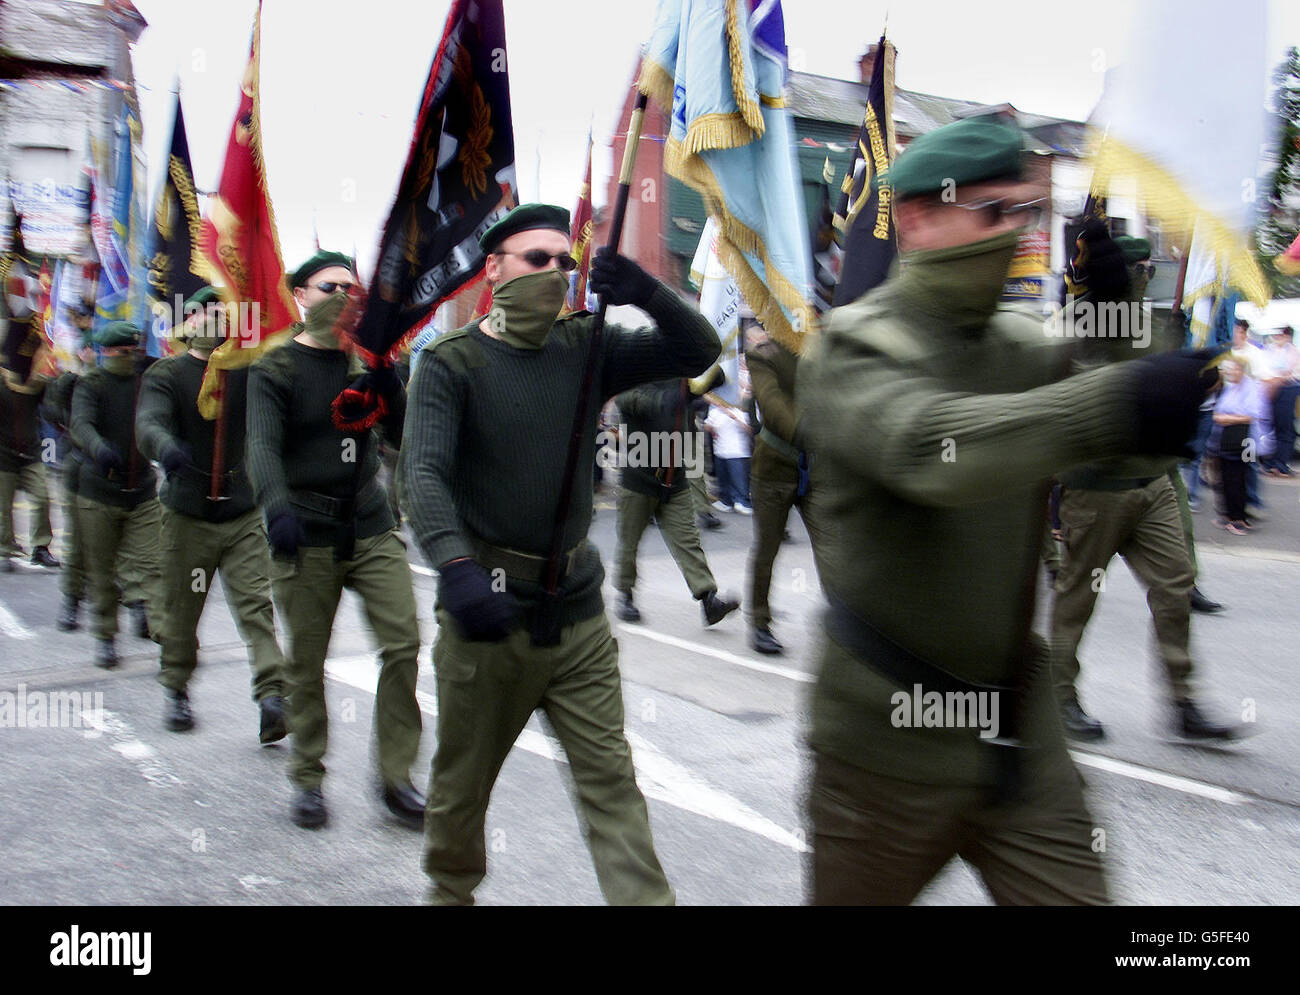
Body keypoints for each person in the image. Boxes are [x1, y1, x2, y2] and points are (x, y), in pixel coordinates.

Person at [797, 115, 1220, 905]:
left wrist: (1115, 304)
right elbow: (931, 447)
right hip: (885, 742)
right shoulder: (853, 346)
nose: (1015, 235)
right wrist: (1113, 401)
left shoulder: (1019, 339)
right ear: (918, 217)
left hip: (1020, 737)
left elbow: (1122, 444)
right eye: (994, 213)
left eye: (1025, 215)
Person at [400, 203, 719, 905]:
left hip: (576, 615)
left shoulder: (588, 346)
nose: (554, 272)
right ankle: (449, 891)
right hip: (488, 612)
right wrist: (453, 566)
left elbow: (700, 352)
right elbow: (421, 473)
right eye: (535, 258)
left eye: (563, 261)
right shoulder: (453, 364)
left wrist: (646, 291)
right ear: (494, 269)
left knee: (612, 782)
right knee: (460, 788)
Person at [246, 250, 422, 830]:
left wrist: (389, 383)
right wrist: (277, 510)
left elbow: (401, 437)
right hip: (306, 530)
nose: (346, 297)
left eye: (353, 287)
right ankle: (308, 775)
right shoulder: (275, 370)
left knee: (402, 642)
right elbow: (263, 448)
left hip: (369, 524)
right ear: (301, 295)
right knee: (306, 660)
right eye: (331, 287)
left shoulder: (366, 361)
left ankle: (396, 778)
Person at [1048, 234, 1237, 742]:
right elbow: (1071, 403)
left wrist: (1198, 376)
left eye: (1147, 266)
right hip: (1097, 489)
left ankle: (1184, 703)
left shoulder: (1152, 324)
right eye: (1139, 266)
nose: (1144, 272)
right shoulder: (1073, 326)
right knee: (1076, 600)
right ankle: (1060, 698)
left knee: (1175, 589)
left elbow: (1175, 386)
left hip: (1154, 482)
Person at [135, 286, 288, 740]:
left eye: (225, 314)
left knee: (255, 607)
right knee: (182, 611)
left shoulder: (248, 371)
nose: (216, 322)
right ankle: (177, 687)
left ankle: (271, 696)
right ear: (189, 321)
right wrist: (166, 448)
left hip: (241, 516)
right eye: (207, 314)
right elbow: (149, 423)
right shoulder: (169, 373)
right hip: (188, 517)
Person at [68, 322, 164, 667]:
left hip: (141, 490)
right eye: (123, 353)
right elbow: (81, 424)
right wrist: (98, 447)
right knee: (102, 571)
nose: (130, 359)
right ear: (106, 352)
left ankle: (160, 627)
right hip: (99, 493)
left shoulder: (146, 382)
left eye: (134, 352)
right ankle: (106, 636)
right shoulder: (91, 384)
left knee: (153, 565)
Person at [613, 377, 740, 626]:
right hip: (639, 480)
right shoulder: (631, 381)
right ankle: (625, 594)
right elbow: (634, 402)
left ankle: (708, 599)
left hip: (675, 478)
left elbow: (709, 383)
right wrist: (673, 397)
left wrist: (707, 384)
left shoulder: (679, 379)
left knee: (688, 540)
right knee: (629, 542)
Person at [745, 334, 828, 655]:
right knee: (767, 549)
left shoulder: (823, 346)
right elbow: (772, 404)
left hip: (817, 469)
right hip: (774, 468)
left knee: (832, 546)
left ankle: (847, 622)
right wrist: (812, 433)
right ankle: (759, 622)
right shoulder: (765, 353)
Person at [1, 317, 58, 572]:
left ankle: (40, 547)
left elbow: (54, 409)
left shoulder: (38, 380)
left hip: (31, 450)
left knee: (42, 495)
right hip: (3, 453)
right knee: (3, 507)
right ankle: (4, 548)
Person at [1209, 358, 1265, 534]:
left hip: (1244, 439)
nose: (1227, 372)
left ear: (1241, 370)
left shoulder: (1250, 388)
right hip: (1226, 438)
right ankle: (1228, 514)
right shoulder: (1230, 387)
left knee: (1238, 478)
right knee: (1225, 477)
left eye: (1231, 369)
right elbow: (1218, 411)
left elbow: (1252, 415)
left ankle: (1238, 518)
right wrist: (1223, 417)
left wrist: (1227, 418)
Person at [1261, 326, 1299, 476]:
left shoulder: (1289, 351)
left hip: (1284, 391)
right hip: (1277, 391)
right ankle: (1276, 464)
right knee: (1280, 430)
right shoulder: (1272, 351)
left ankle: (1276, 464)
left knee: (1281, 429)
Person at [704, 399, 752, 512]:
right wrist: (711, 427)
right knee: (723, 480)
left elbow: (750, 429)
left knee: (739, 481)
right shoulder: (715, 410)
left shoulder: (743, 411)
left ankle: (742, 501)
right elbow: (707, 427)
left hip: (738, 452)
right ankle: (727, 501)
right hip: (720, 451)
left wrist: (733, 416)